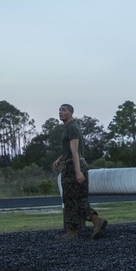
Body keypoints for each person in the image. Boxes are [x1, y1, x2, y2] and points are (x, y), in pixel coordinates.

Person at [52, 103, 108, 240]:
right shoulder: (70, 128)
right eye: (59, 110)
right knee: (80, 199)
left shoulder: (72, 128)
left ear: (70, 113)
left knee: (70, 200)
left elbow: (75, 151)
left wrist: (77, 171)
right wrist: (60, 159)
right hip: (73, 163)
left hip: (73, 166)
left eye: (63, 110)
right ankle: (96, 221)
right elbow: (70, 150)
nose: (60, 112)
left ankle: (72, 232)